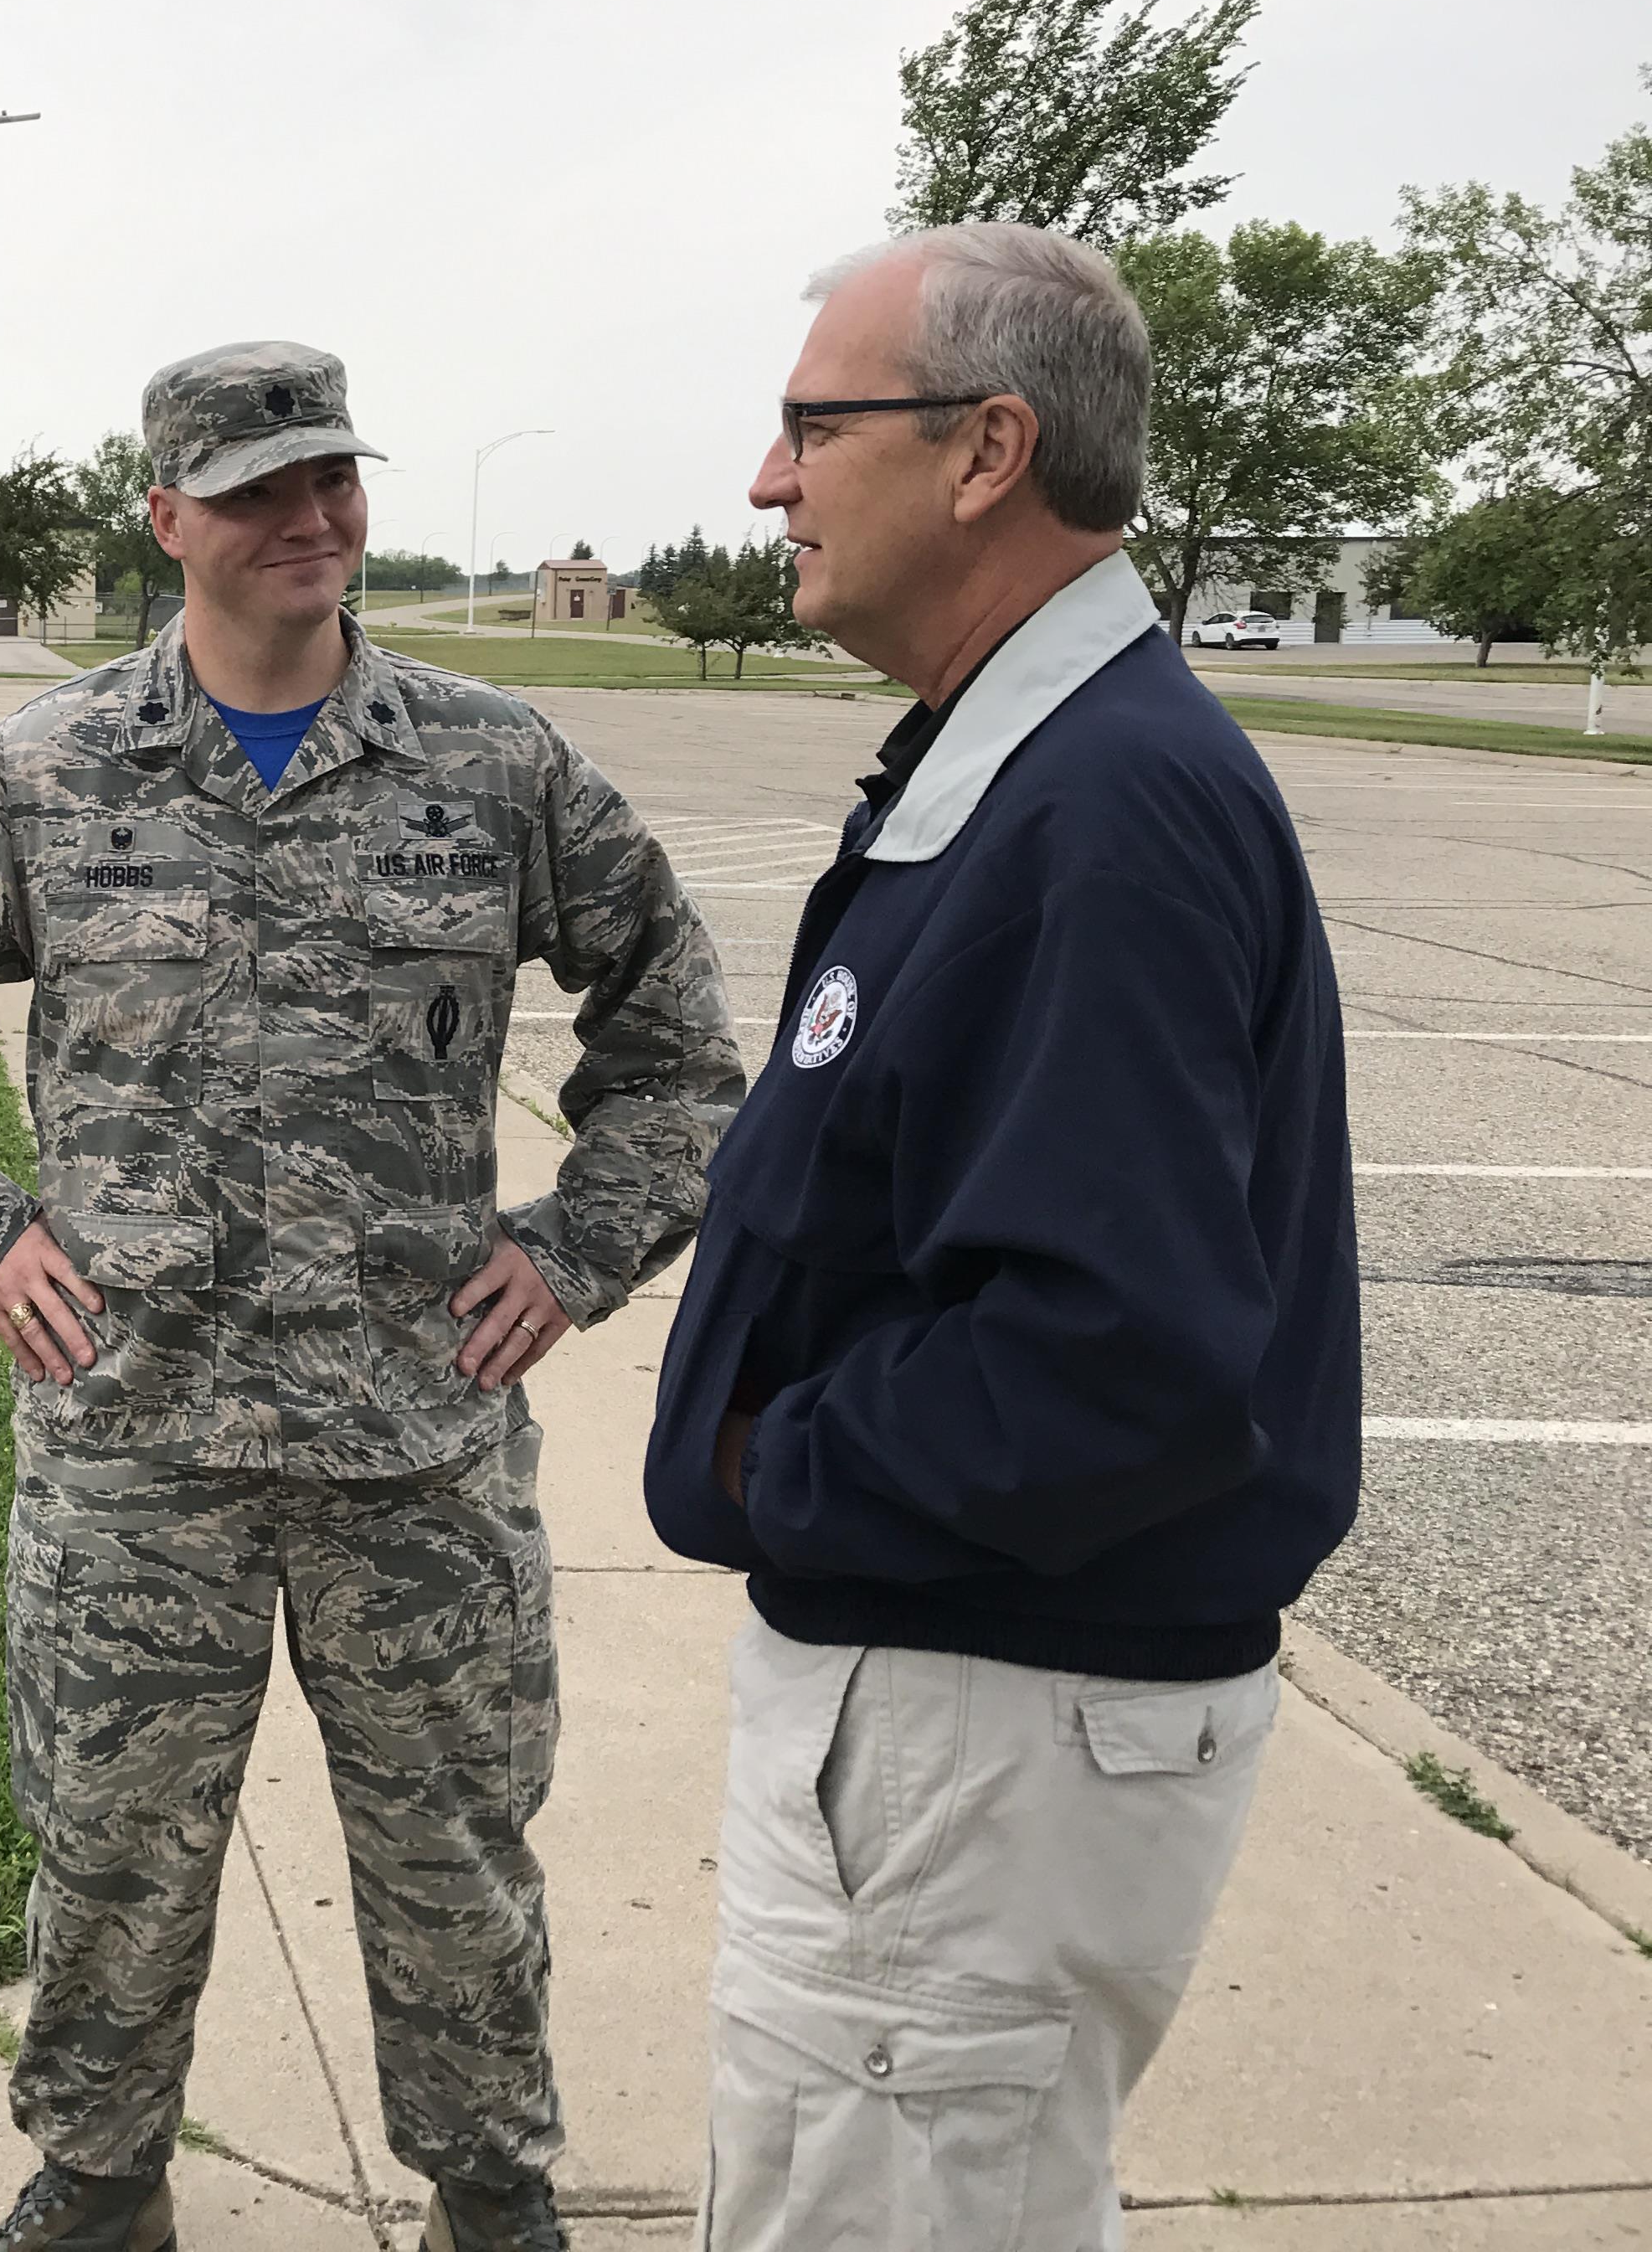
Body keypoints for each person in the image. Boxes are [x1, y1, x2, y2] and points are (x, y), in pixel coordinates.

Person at [0, 343, 747, 2252]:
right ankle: (97, 2187)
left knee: (454, 1862)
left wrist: (572, 1249)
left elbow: (682, 1041)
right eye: (256, 492)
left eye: (332, 477)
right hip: (134, 1451)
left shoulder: (494, 769)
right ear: (167, 522)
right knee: (110, 1859)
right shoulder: (50, 774)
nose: (310, 518)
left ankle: (493, 2198)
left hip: (416, 1447)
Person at [646, 224, 1360, 2249]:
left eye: (809, 426)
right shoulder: (1030, 761)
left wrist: (764, 1461)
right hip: (962, 1722)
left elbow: (1111, 1358)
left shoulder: (1105, 809)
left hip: (979, 1731)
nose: (770, 481)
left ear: (986, 451)